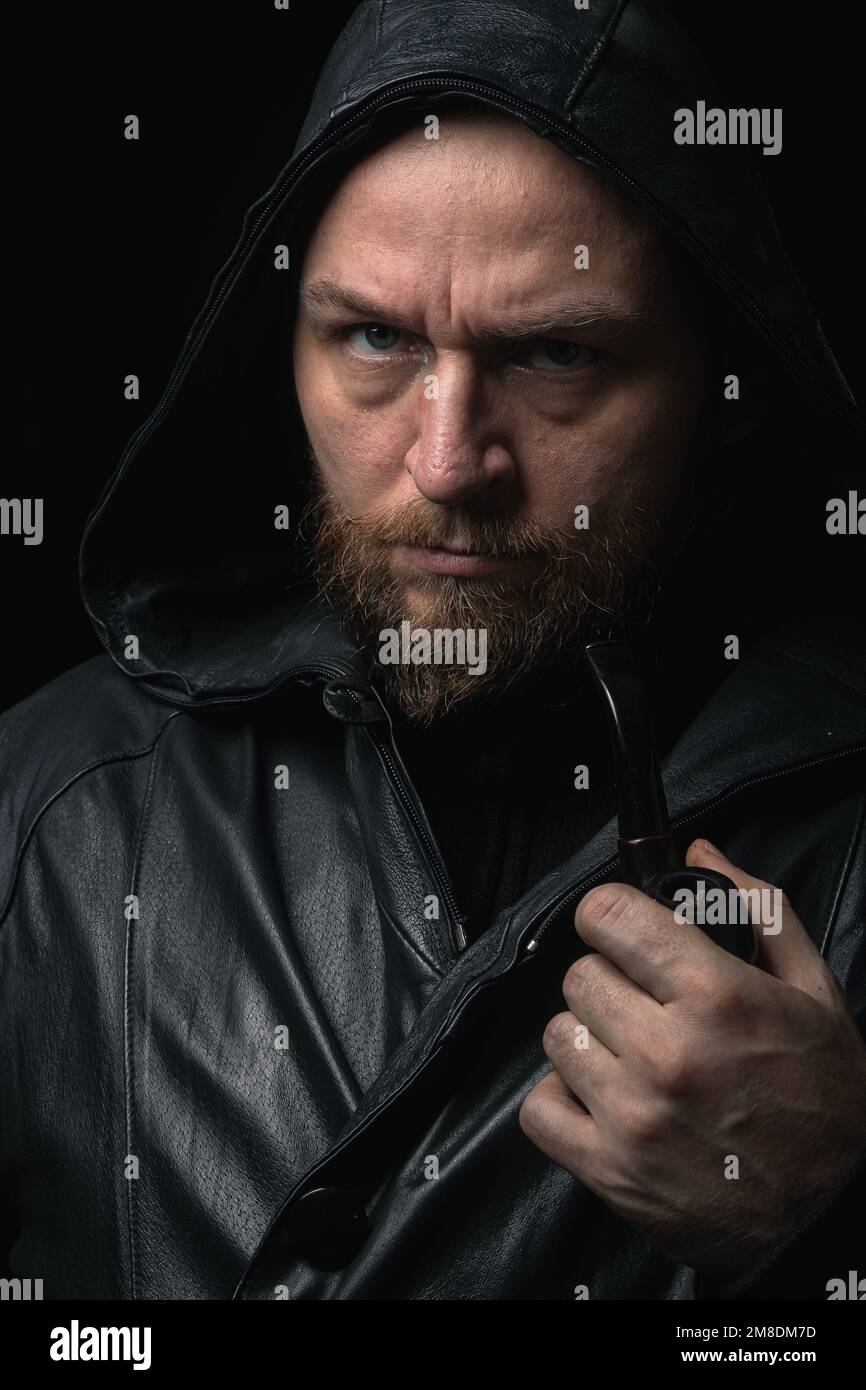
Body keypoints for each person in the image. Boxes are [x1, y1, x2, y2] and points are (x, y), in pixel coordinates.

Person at [2, 0, 864, 1301]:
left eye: (557, 353)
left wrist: (830, 1221)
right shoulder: (47, 808)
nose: (449, 460)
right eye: (374, 339)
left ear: (726, 379)